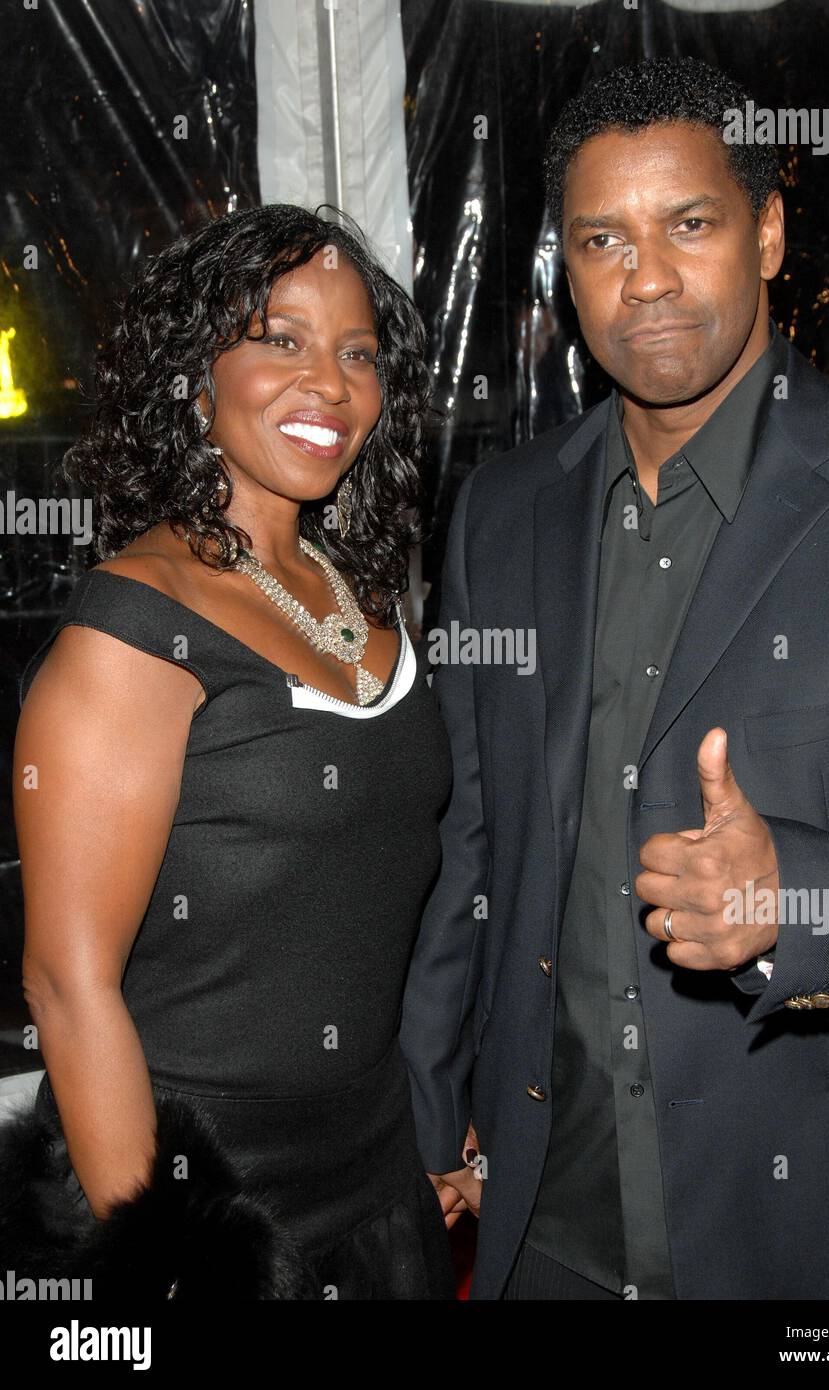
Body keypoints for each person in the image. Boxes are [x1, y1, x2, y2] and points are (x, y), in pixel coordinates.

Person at [400, 57, 829, 1300]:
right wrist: (431, 1103)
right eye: (601, 239)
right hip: (550, 1214)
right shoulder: (501, 514)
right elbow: (472, 842)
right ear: (562, 264)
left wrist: (802, 895)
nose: (644, 277)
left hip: (824, 1227)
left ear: (767, 234)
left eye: (690, 224)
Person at [5, 203, 455, 1300]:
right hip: (205, 1215)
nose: (331, 383)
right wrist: (166, 1266)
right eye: (280, 339)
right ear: (195, 371)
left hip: (381, 1182)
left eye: (357, 353)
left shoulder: (367, 599)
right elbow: (68, 986)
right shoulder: (137, 622)